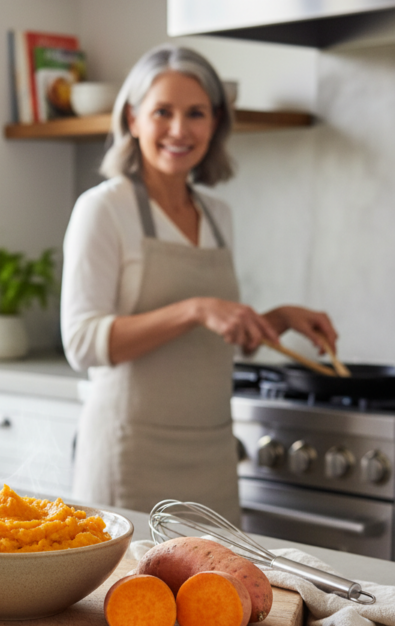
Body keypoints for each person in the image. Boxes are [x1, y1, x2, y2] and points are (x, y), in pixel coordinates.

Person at [60, 44, 338, 523]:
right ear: (133, 118)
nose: (179, 129)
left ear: (216, 123)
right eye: (162, 112)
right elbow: (81, 343)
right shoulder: (103, 209)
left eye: (196, 113)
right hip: (130, 453)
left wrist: (276, 320)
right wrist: (194, 309)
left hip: (211, 453)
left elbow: (213, 336)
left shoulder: (217, 214)